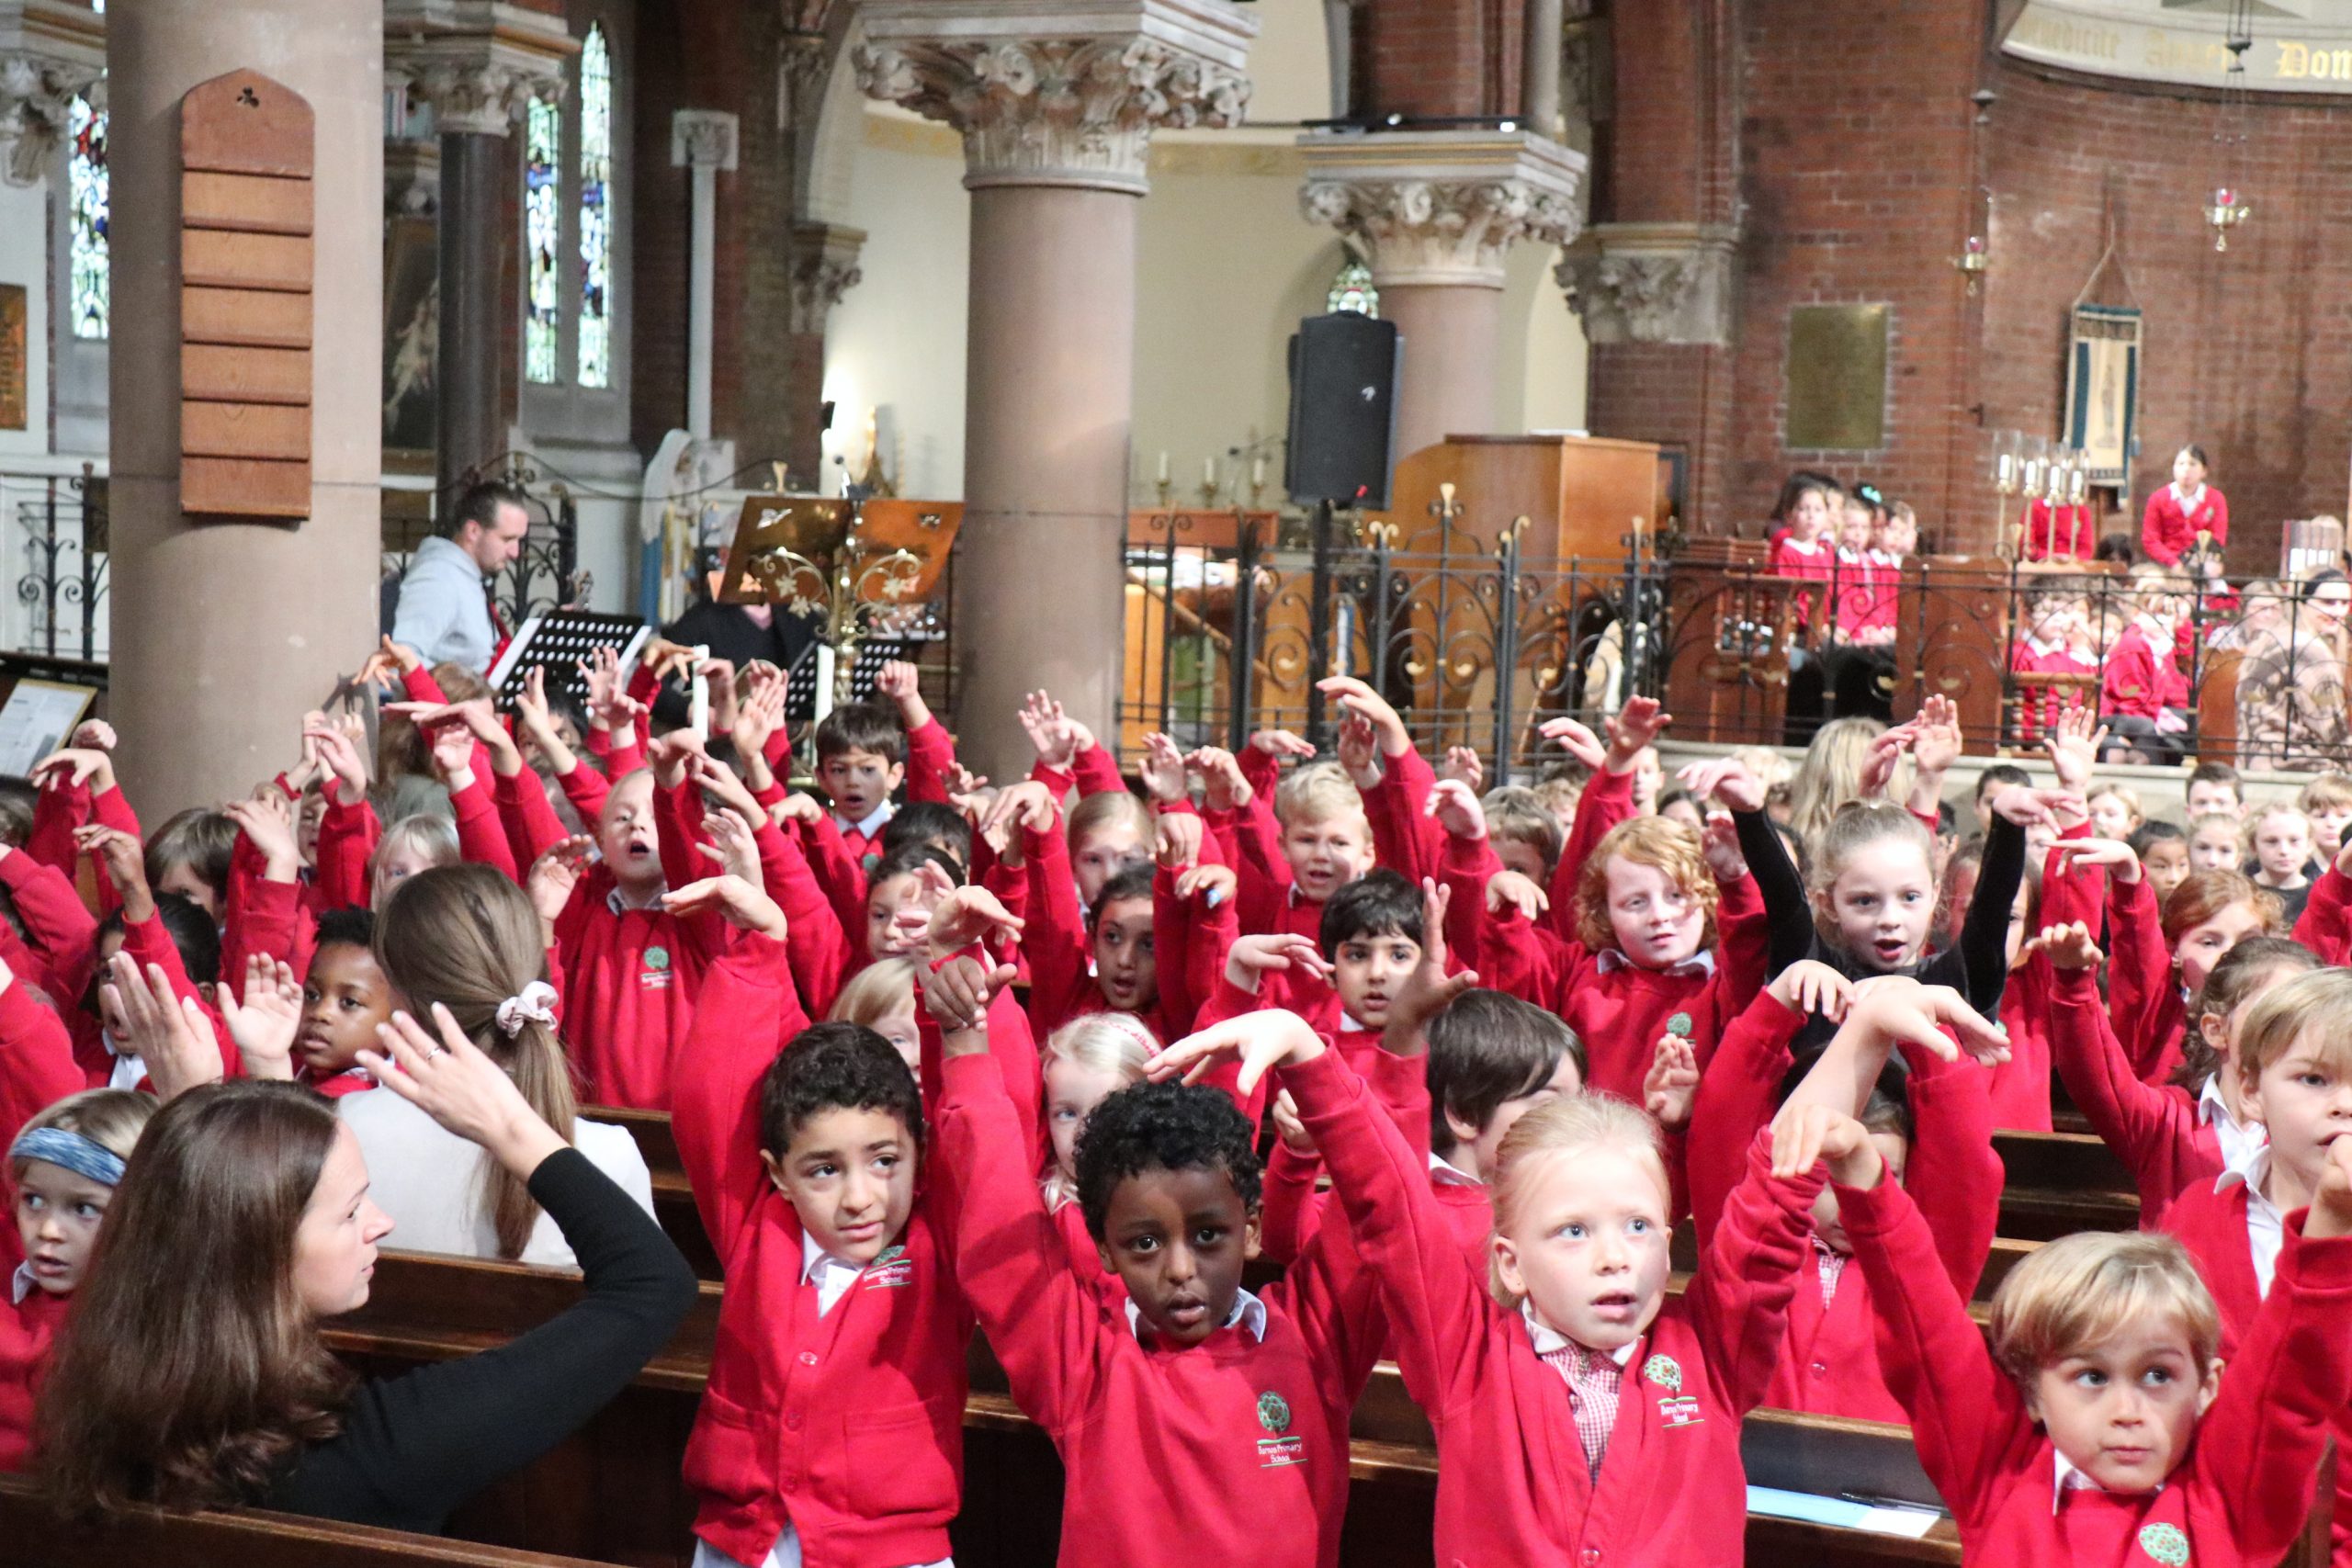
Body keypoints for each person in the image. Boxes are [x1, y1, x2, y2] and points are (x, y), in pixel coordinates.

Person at [32, 978, 696, 1529]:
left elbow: (207, 1215)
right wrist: (512, 1127)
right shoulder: (385, 1449)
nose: (381, 1223)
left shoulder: (97, 1425)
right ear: (263, 1251)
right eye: (351, 1210)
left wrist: (200, 1114)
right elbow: (652, 1283)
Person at [388, 481, 532, 675]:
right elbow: (402, 657)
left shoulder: (466, 577)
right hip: (447, 696)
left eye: (519, 540)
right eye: (507, 539)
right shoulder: (439, 578)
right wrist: (463, 688)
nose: (515, 552)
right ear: (473, 531)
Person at [2235, 570, 2352, 773]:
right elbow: (2331, 730)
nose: (2338, 612)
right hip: (2295, 767)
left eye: (2344, 603)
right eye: (2328, 602)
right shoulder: (2309, 651)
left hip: (2252, 762)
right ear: (2302, 602)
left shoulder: (2272, 638)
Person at [2141, 444, 2230, 568]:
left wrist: (2196, 562)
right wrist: (2174, 563)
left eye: (2193, 464)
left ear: (2204, 471)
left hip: (2201, 564)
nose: (2186, 469)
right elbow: (2150, 540)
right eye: (2181, 464)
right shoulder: (2158, 498)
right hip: (2165, 565)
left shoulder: (2216, 499)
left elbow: (2217, 539)